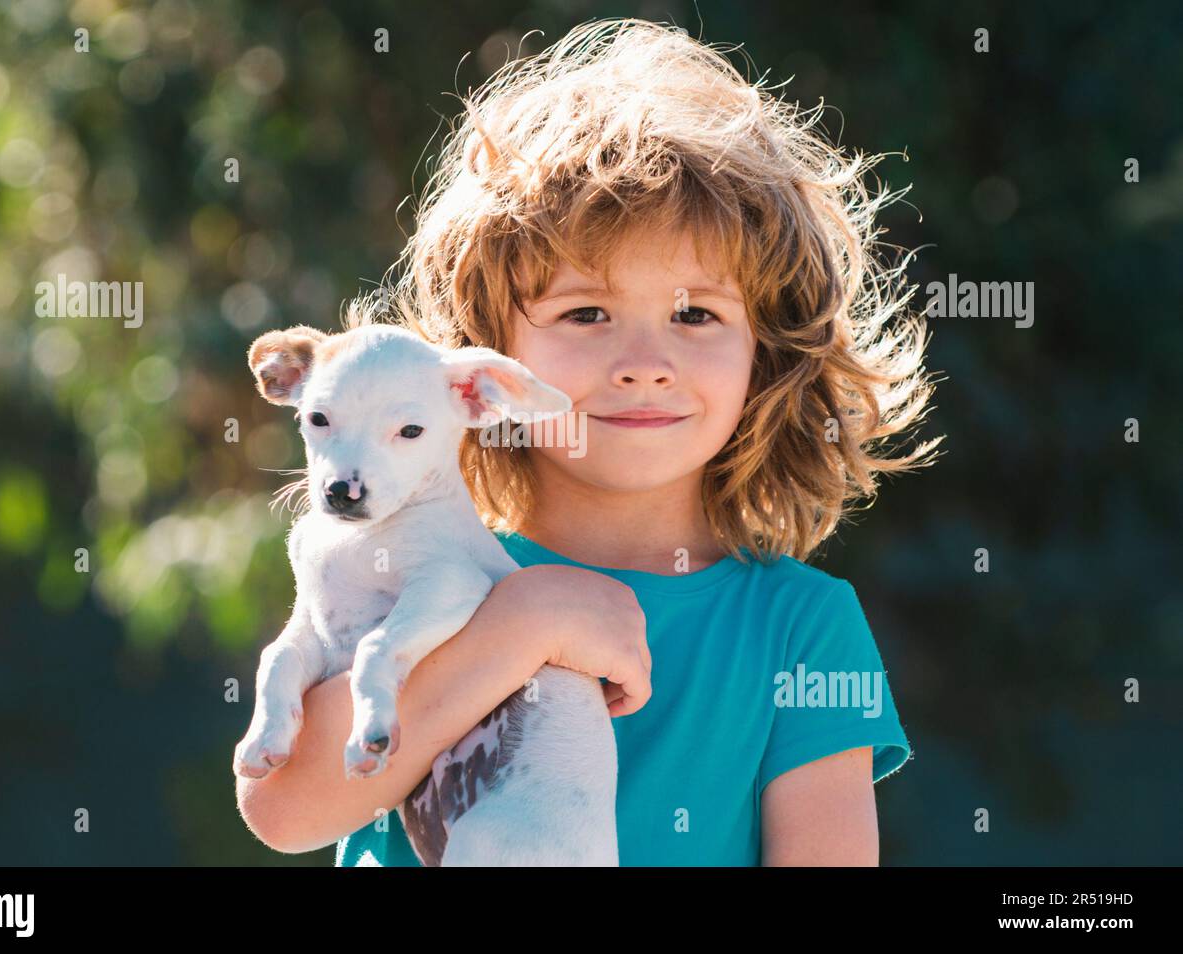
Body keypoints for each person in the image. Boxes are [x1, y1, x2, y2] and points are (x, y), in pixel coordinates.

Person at [237, 17, 941, 866]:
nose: (645, 364)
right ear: (486, 366)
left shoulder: (802, 629)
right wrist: (529, 621)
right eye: (585, 312)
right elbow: (285, 806)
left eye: (695, 313)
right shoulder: (409, 560)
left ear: (767, 350)